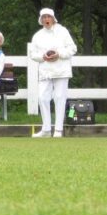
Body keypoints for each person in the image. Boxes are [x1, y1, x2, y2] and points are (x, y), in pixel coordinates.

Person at [28, 8, 77, 138]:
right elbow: (33, 54)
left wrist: (59, 54)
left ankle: (58, 130)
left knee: (60, 98)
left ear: (53, 18)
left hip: (61, 70)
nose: (46, 19)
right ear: (41, 20)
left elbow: (73, 49)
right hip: (45, 71)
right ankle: (46, 129)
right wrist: (43, 56)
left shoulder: (63, 31)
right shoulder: (37, 35)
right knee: (42, 98)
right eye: (44, 17)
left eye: (48, 17)